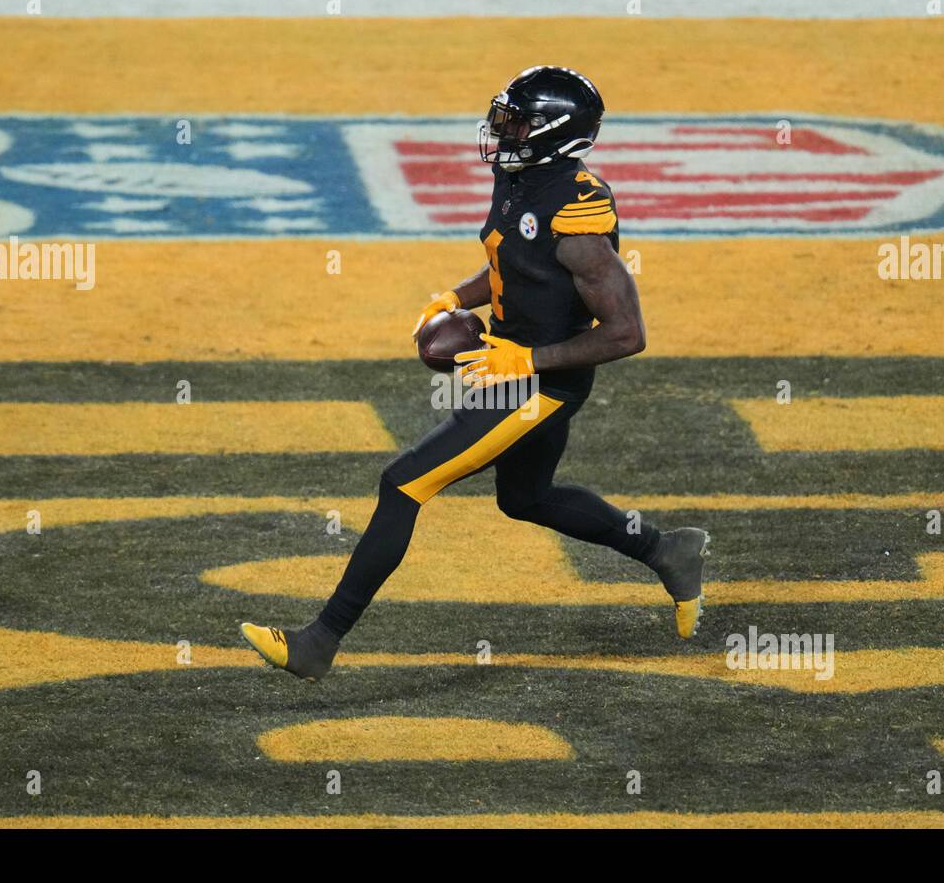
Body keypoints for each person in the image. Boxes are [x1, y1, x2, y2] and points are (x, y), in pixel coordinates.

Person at [241, 65, 708, 680]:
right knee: (526, 498)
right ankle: (666, 550)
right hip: (513, 361)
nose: (500, 128)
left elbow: (627, 334)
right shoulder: (520, 178)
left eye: (515, 120)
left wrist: (529, 361)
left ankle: (319, 642)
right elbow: (517, 262)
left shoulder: (577, 216)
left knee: (404, 483)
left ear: (553, 133)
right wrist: (460, 298)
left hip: (540, 381)